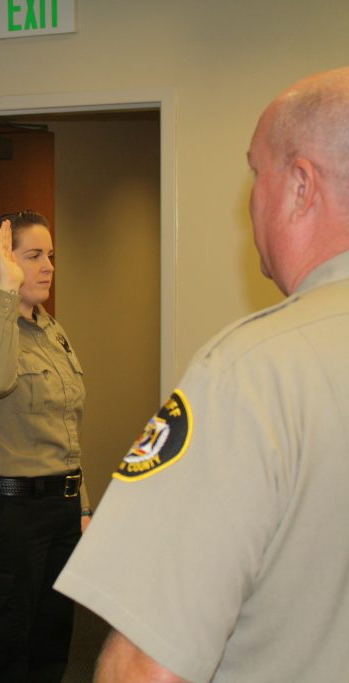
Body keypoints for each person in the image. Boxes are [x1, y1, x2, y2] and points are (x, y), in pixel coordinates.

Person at [54, 67, 349, 683]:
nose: (250, 198)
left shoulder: (254, 372)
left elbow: (148, 667)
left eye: (255, 172)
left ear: (299, 186)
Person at [0, 211, 88, 683]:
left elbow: (66, 423)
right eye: (33, 256)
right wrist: (7, 297)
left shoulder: (53, 331)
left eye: (50, 256)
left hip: (59, 510)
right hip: (5, 515)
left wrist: (81, 505)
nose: (48, 266)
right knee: (3, 657)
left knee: (51, 649)